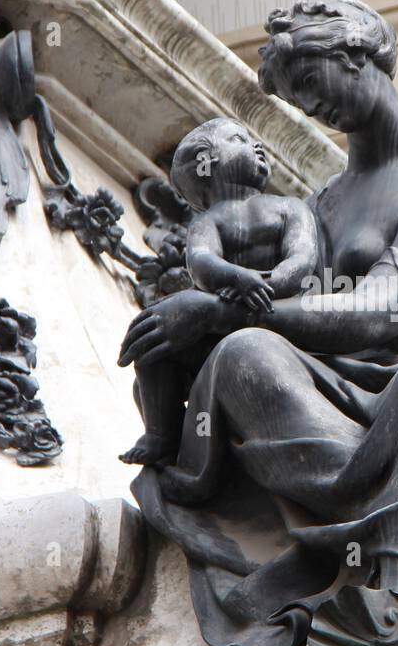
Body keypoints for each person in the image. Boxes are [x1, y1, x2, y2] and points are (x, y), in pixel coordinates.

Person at [119, 0, 398, 646]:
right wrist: (196, 321)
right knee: (243, 354)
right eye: (296, 97)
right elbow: (270, 299)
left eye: (309, 82)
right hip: (325, 400)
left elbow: (380, 309)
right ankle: (344, 554)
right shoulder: (320, 202)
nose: (309, 106)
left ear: (355, 54)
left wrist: (217, 312)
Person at [120, 117, 318, 467]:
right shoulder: (206, 223)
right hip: (223, 328)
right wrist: (241, 279)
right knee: (153, 345)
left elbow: (302, 258)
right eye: (240, 139)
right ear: (205, 163)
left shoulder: (289, 207)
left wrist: (268, 285)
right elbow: (200, 261)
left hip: (283, 319)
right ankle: (161, 435)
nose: (257, 145)